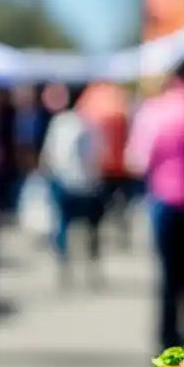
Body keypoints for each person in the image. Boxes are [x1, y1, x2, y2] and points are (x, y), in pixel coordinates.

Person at [126, 58, 184, 349]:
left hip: (168, 206)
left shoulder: (155, 112)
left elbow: (136, 161)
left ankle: (168, 346)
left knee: (170, 281)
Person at [39, 87, 104, 287]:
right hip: (87, 183)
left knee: (63, 226)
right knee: (90, 230)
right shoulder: (90, 123)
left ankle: (65, 268)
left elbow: (49, 155)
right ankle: (90, 269)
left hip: (65, 182)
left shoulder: (60, 122)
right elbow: (97, 154)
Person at [75, 81, 135, 248]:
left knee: (104, 206)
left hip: (107, 166)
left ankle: (96, 235)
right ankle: (113, 234)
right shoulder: (119, 103)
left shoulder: (92, 103)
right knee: (117, 204)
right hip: (117, 166)